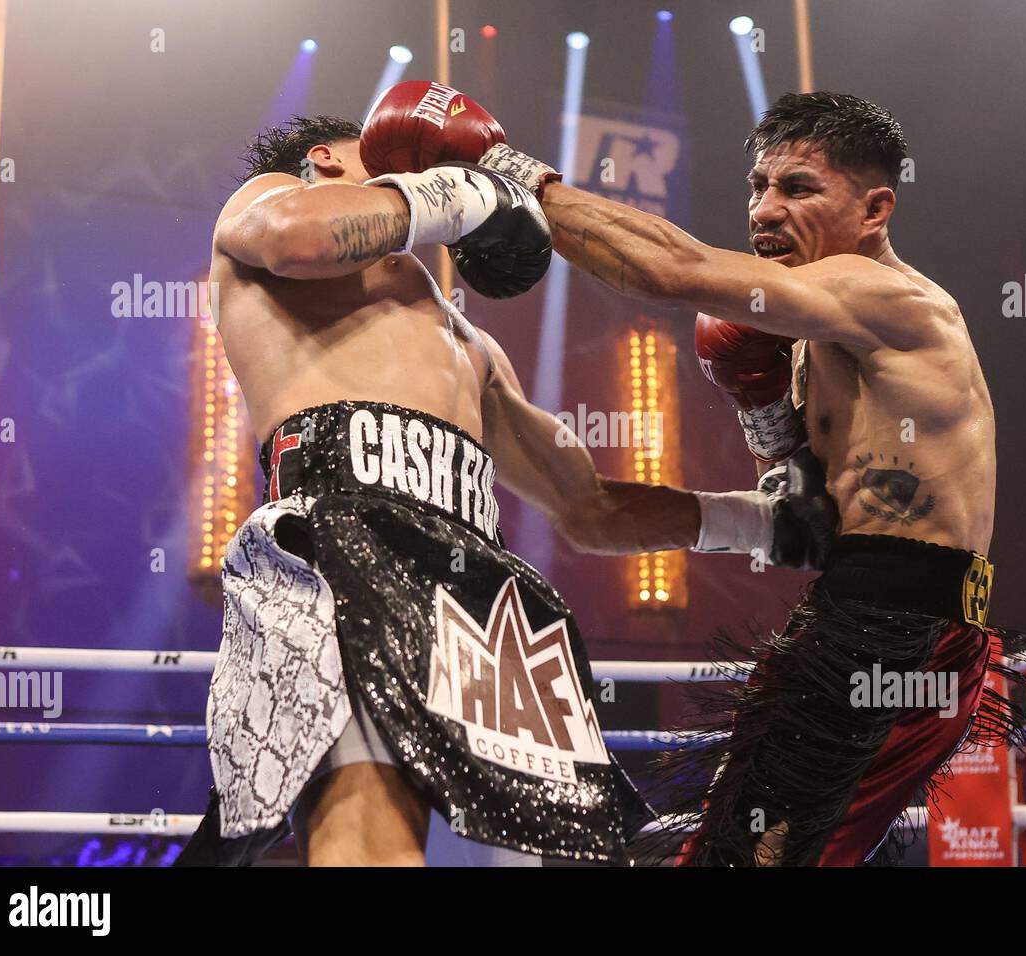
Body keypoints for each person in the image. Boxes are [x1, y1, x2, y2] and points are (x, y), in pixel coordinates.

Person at [177, 84, 830, 867]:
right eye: (379, 162)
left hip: (476, 589)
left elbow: (587, 509)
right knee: (368, 838)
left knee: (571, 849)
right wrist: (462, 186)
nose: (406, 178)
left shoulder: (471, 349)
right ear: (323, 159)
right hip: (341, 544)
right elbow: (298, 240)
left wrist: (760, 520)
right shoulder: (271, 203)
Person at [443, 90, 1026, 865]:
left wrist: (504, 169)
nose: (764, 209)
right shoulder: (810, 338)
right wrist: (764, 414)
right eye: (758, 186)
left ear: (875, 208)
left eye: (797, 188)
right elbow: (804, 513)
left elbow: (670, 269)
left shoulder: (891, 297)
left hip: (899, 633)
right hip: (874, 622)